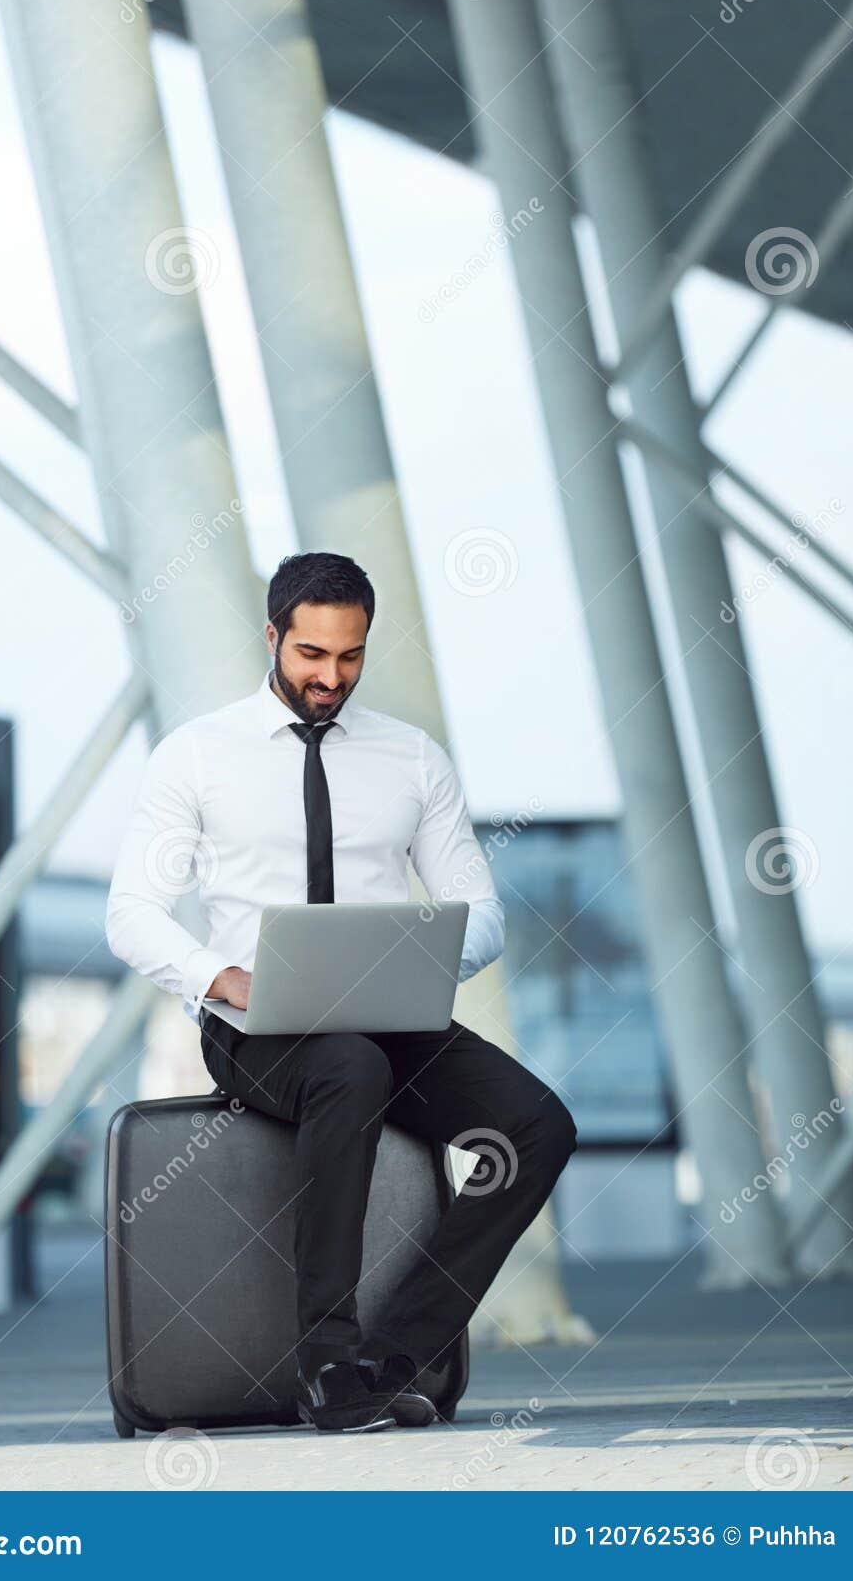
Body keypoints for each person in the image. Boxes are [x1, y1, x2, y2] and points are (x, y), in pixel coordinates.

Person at [106, 551, 576, 1432]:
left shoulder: (410, 759)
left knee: (537, 1124)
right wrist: (221, 975)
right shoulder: (198, 756)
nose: (329, 678)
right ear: (273, 636)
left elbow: (480, 912)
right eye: (311, 655)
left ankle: (395, 1353)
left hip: (387, 1013)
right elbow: (131, 913)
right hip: (254, 1023)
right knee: (347, 1069)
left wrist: (419, 961)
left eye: (349, 657)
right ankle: (326, 1366)